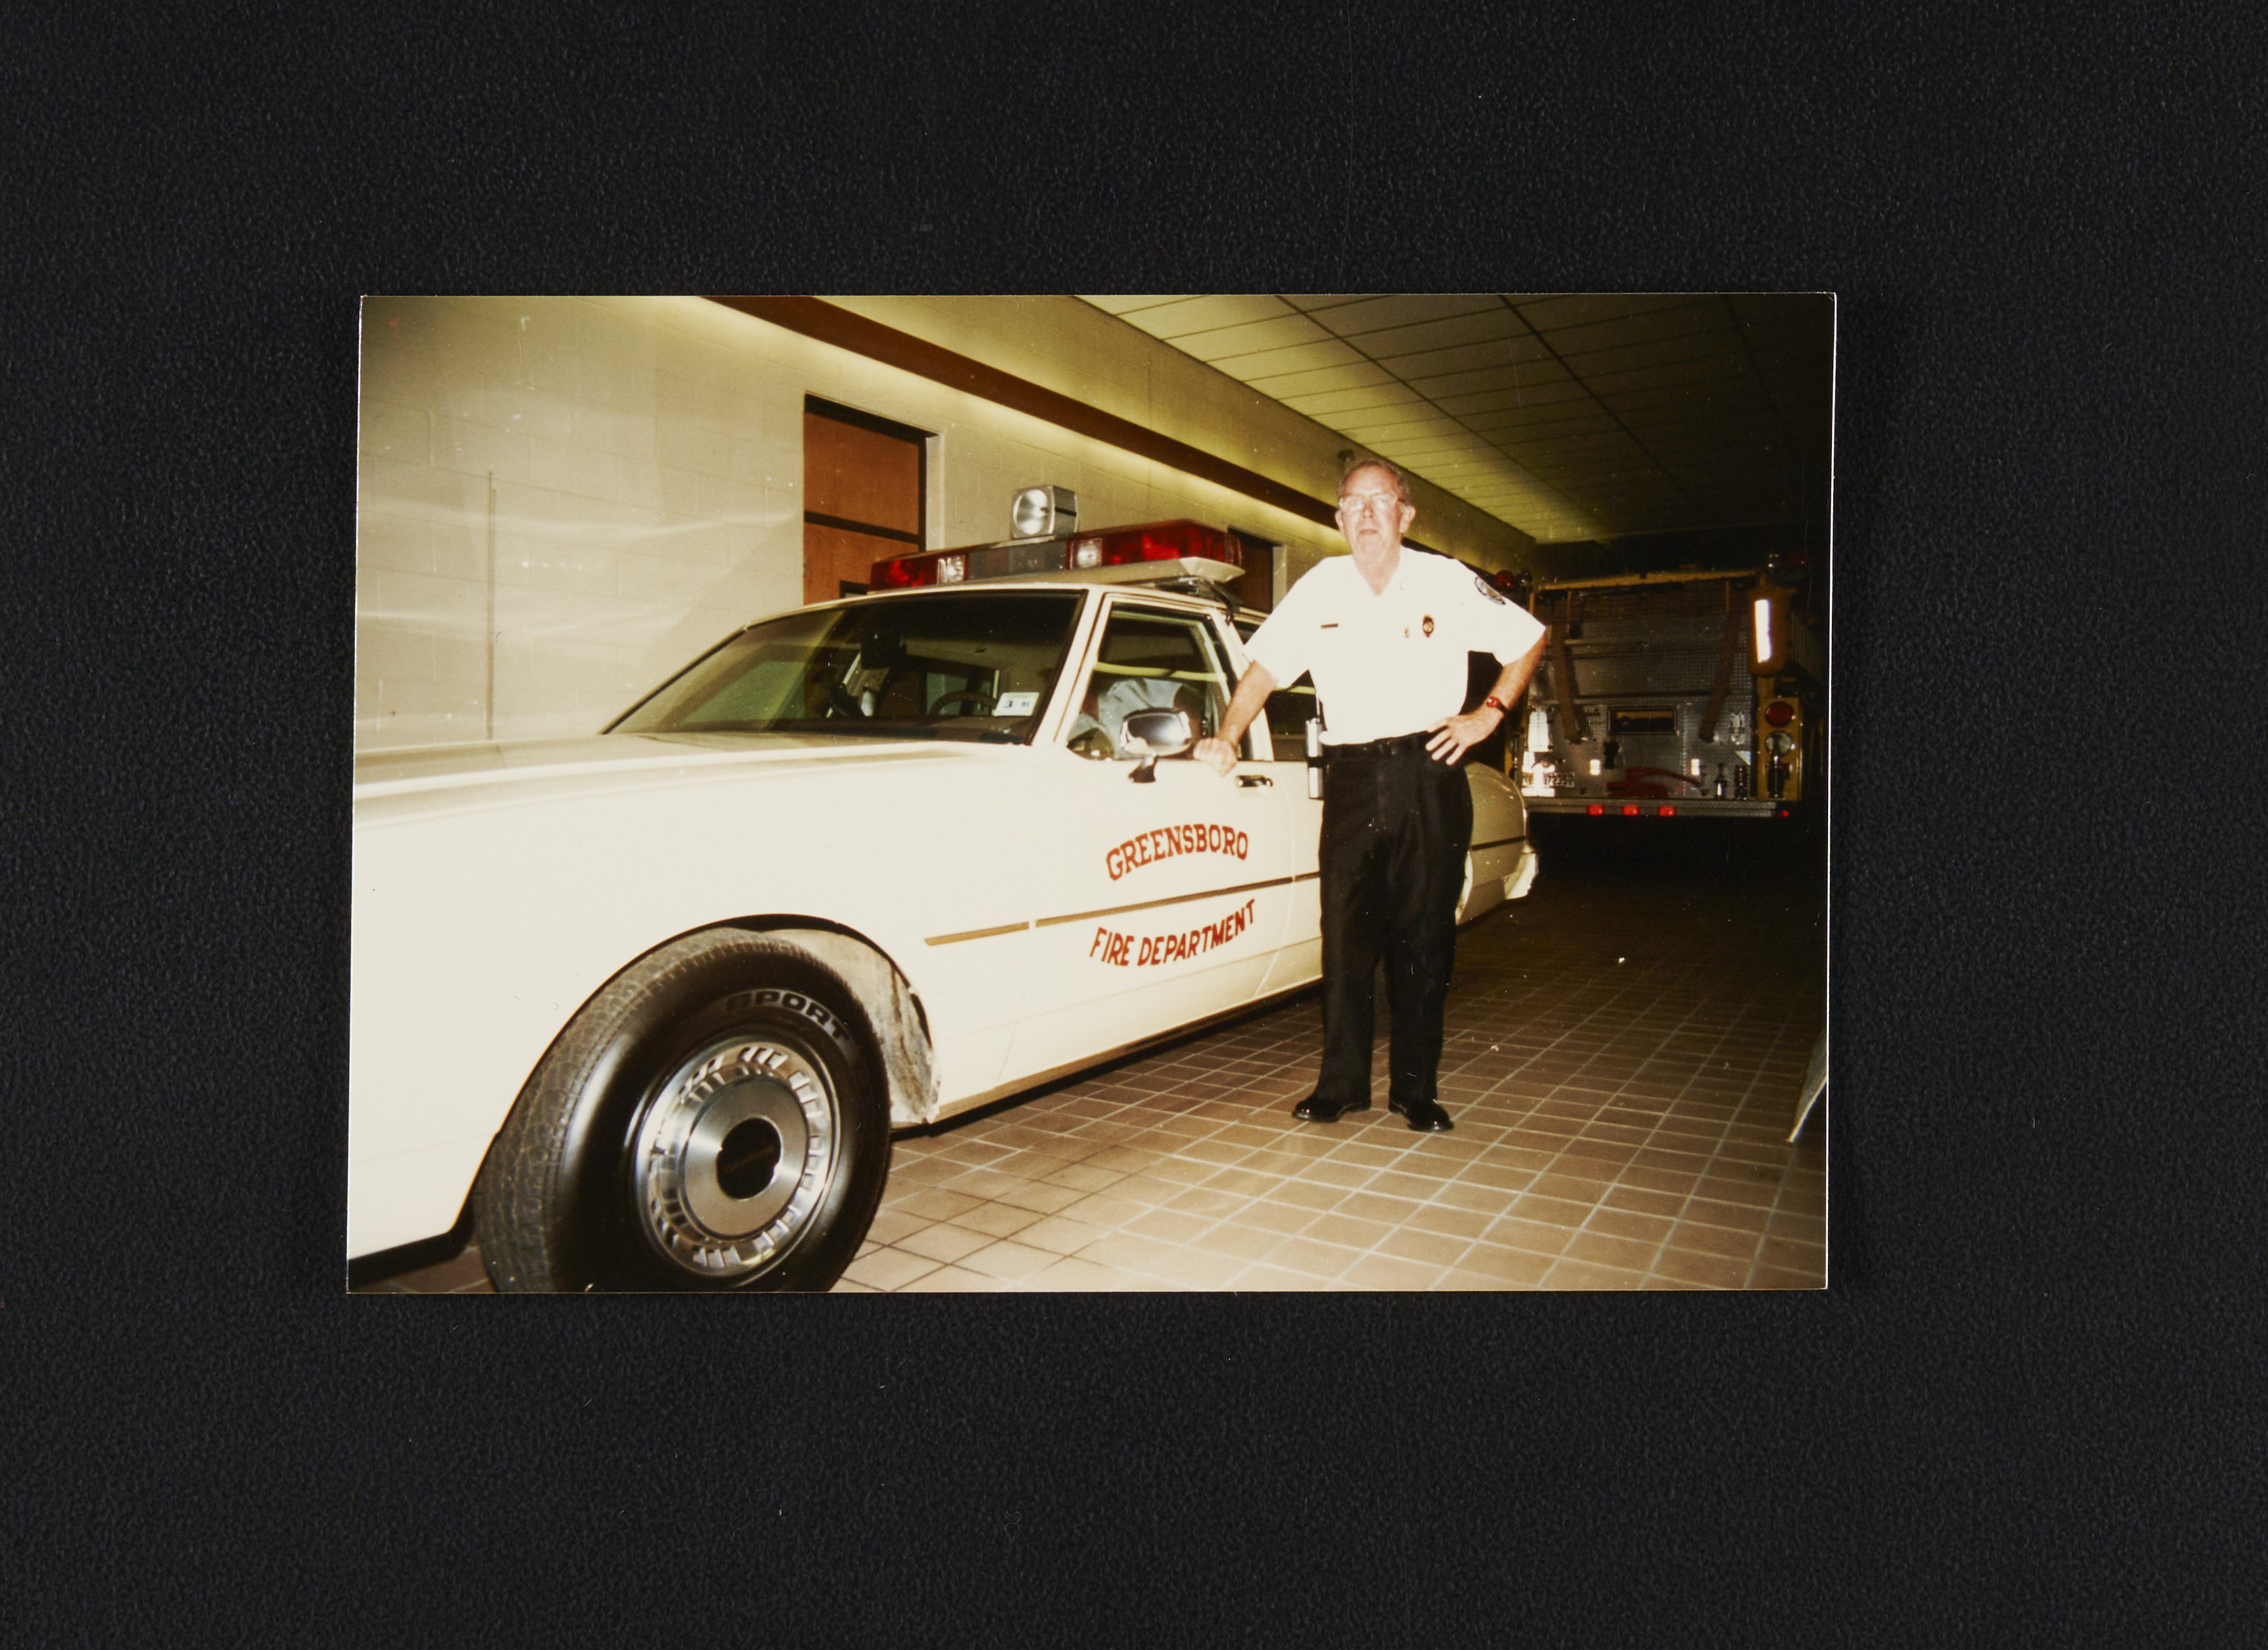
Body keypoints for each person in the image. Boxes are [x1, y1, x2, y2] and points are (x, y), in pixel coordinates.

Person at [1193, 459, 1546, 1131]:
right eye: (1351, 503)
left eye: (1377, 502)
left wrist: (1488, 714)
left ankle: (1415, 1089)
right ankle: (1342, 1083)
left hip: (1428, 771)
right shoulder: (1320, 587)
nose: (1364, 514)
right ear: (1337, 518)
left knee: (1424, 937)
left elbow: (1528, 638)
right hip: (1352, 778)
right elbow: (1263, 669)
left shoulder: (1444, 580)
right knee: (1344, 937)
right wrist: (1228, 736)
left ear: (1404, 514)